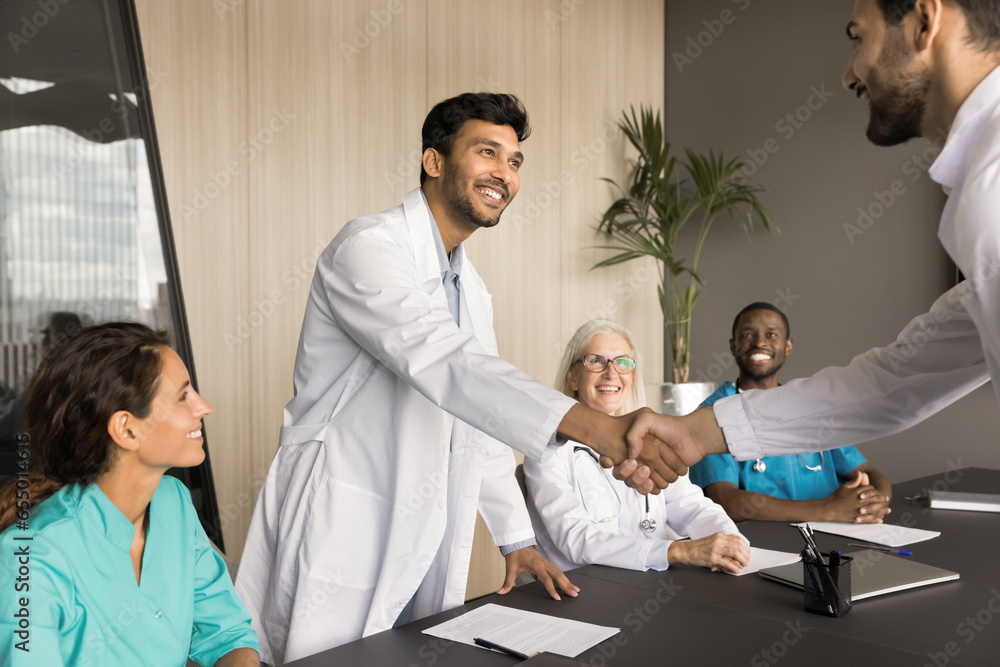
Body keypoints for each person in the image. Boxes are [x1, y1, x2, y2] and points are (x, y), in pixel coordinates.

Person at [234, 92, 680, 664]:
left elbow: (478, 416)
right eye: (487, 152)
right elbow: (444, 363)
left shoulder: (471, 288)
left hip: (423, 525)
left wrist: (515, 538)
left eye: (515, 161)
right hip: (344, 514)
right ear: (434, 161)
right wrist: (594, 427)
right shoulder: (367, 249)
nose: (504, 173)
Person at [622, 0, 1000, 494]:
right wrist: (696, 431)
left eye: (858, 38)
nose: (849, 76)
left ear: (925, 22)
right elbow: (895, 381)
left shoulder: (991, 188)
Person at [0, 322, 259, 666]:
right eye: (183, 396)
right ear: (127, 429)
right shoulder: (31, 560)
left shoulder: (174, 503)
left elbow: (227, 636)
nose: (204, 407)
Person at [524, 320, 751, 574]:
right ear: (573, 377)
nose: (611, 373)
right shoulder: (545, 450)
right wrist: (677, 551)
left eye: (622, 362)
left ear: (632, 376)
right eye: (596, 361)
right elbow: (576, 540)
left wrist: (731, 539)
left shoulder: (652, 440)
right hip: (586, 589)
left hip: (649, 583)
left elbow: (691, 506)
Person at [690, 303, 892, 523]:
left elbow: (870, 473)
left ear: (788, 346)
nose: (759, 342)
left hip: (836, 534)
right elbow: (725, 499)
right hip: (765, 545)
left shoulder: (811, 406)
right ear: (733, 346)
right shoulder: (713, 413)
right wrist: (827, 510)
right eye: (748, 334)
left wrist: (875, 502)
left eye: (771, 334)